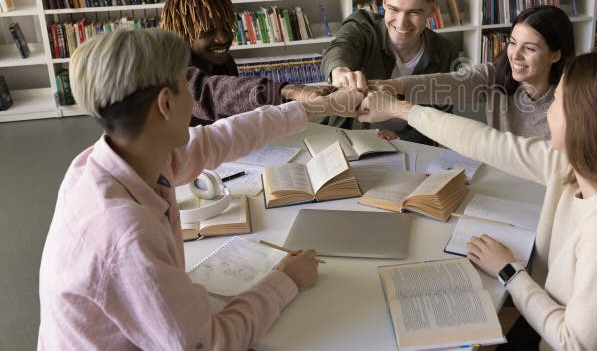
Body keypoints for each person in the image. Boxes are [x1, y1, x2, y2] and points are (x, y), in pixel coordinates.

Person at [38, 28, 363, 349]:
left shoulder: (118, 156)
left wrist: (319, 107)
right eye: (185, 86)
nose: (193, 98)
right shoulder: (127, 236)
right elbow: (208, 343)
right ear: (165, 103)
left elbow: (221, 138)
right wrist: (285, 280)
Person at [356, 48, 597, 350]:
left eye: (556, 100)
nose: (547, 110)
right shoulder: (575, 166)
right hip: (550, 320)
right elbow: (486, 142)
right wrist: (401, 109)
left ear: (583, 122)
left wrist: (509, 272)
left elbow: (576, 345)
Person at [371, 5, 574, 139]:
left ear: (555, 55)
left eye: (529, 48)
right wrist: (394, 86)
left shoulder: (570, 100)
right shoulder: (494, 76)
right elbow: (448, 84)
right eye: (513, 43)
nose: (515, 55)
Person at [321, 0, 460, 142]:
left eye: (414, 12)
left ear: (432, 9)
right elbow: (340, 47)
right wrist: (339, 71)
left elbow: (440, 121)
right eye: (394, 9)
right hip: (350, 139)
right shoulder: (362, 25)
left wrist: (402, 138)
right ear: (385, 2)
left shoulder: (446, 53)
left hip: (410, 150)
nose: (401, 24)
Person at [161, 0, 332, 125]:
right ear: (182, 35)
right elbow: (215, 94)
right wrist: (288, 90)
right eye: (208, 32)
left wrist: (305, 99)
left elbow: (238, 106)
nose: (223, 38)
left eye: (227, 27)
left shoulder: (225, 63)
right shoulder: (171, 71)